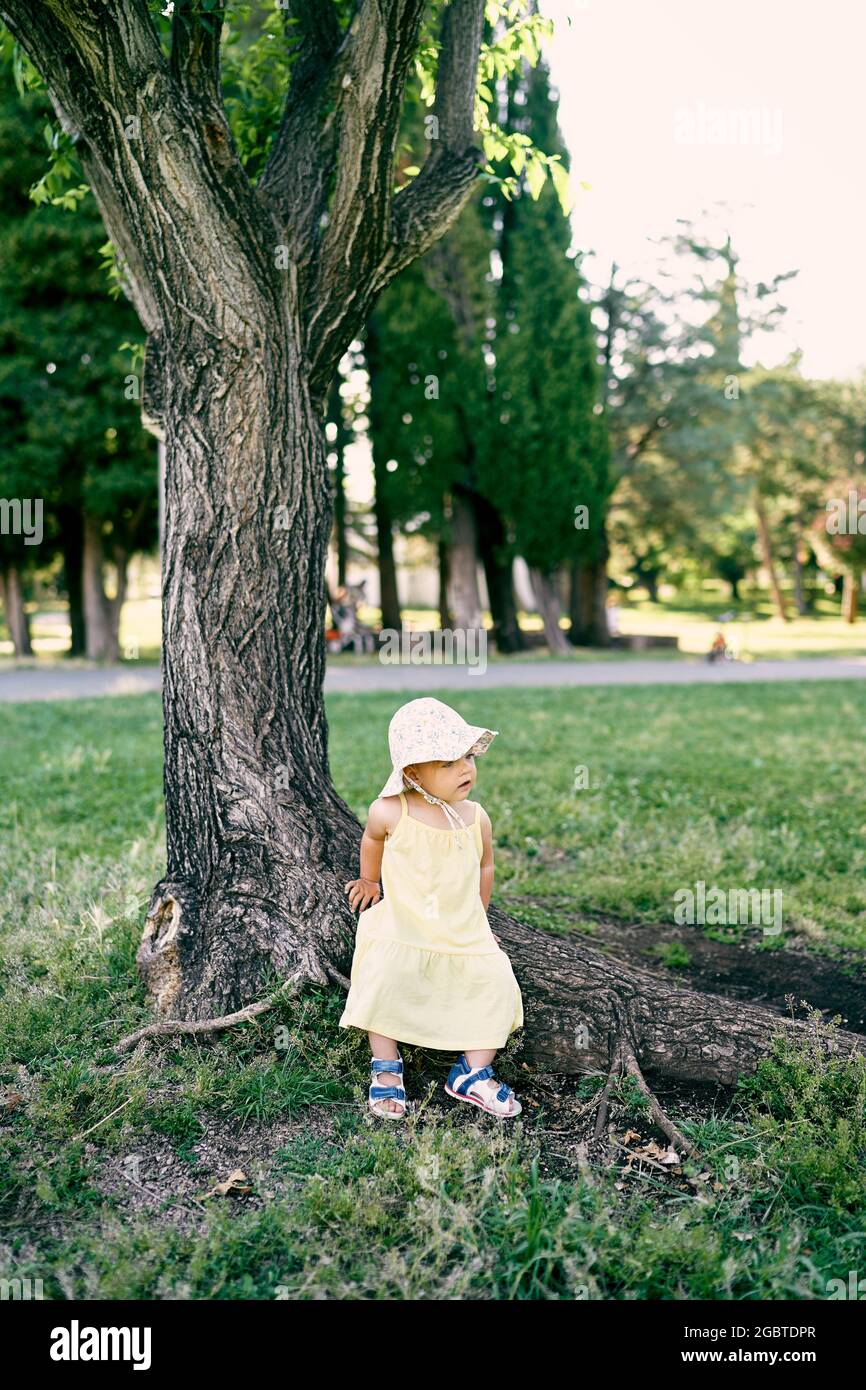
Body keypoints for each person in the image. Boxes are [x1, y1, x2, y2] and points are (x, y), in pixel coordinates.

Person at [339, 697, 524, 1120]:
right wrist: (369, 880)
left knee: (496, 981)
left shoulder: (475, 817)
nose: (465, 770)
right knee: (384, 975)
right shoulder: (391, 811)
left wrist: (478, 918)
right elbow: (372, 840)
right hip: (405, 922)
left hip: (460, 927)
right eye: (447, 763)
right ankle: (385, 1065)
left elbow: (485, 865)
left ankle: (472, 1072)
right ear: (412, 773)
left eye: (467, 758)